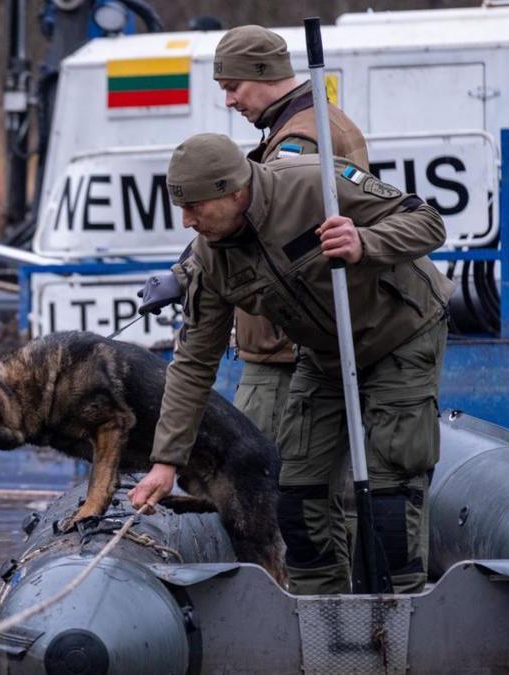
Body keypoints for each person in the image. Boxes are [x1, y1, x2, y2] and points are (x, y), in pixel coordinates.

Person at [129, 133, 453, 595]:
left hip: (400, 331)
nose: (187, 222)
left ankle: (397, 608)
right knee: (296, 489)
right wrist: (166, 460)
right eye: (181, 208)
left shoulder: (315, 183)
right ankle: (321, 607)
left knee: (389, 488)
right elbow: (193, 364)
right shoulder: (209, 261)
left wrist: (365, 241)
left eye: (196, 207)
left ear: (234, 192)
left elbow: (427, 223)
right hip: (323, 352)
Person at [214, 24, 368, 445]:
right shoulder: (320, 119)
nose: (229, 101)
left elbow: (273, 234)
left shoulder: (299, 139)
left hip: (283, 349)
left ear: (264, 72)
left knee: (257, 475)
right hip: (303, 338)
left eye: (234, 86)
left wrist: (200, 273)